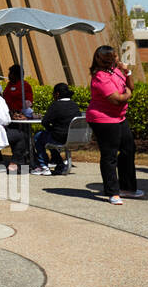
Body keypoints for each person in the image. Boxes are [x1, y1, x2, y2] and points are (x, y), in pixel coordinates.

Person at [87, 45, 138, 204]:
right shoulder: (100, 76)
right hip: (104, 119)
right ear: (101, 60)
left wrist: (127, 72)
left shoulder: (115, 71)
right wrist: (128, 94)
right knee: (110, 155)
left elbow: (131, 86)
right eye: (110, 57)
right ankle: (112, 192)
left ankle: (127, 187)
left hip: (120, 118)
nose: (114, 59)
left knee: (128, 150)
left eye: (114, 56)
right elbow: (116, 99)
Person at [34, 82, 82, 175]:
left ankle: (43, 166)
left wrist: (50, 129)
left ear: (57, 94)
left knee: (38, 137)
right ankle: (59, 164)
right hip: (74, 138)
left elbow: (45, 122)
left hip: (59, 138)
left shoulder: (55, 105)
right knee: (50, 137)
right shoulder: (74, 105)